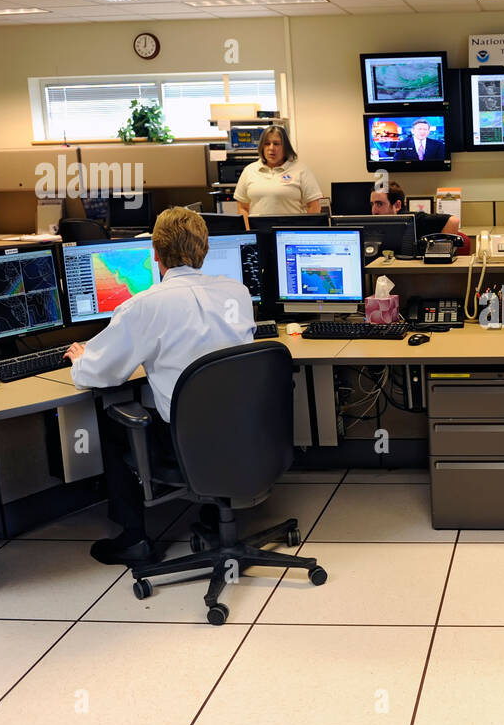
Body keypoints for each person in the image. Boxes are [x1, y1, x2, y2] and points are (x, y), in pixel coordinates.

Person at [65, 207, 256, 566]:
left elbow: (100, 374)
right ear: (205, 249)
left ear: (155, 252)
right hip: (246, 436)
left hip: (187, 448)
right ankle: (215, 517)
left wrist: (81, 357)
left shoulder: (144, 306)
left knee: (112, 416)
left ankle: (134, 537)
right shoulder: (238, 293)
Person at [233, 125, 324, 218]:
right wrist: (249, 230)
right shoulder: (249, 170)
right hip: (258, 231)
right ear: (262, 147)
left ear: (285, 147)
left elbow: (314, 206)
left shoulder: (301, 170)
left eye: (276, 144)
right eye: (267, 143)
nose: (271, 148)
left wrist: (303, 230)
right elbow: (242, 207)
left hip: (290, 232)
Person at [371, 180, 459, 236]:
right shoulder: (372, 226)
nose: (374, 211)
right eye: (372, 204)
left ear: (397, 205)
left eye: (379, 204)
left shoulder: (414, 220)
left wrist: (440, 252)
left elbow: (453, 221)